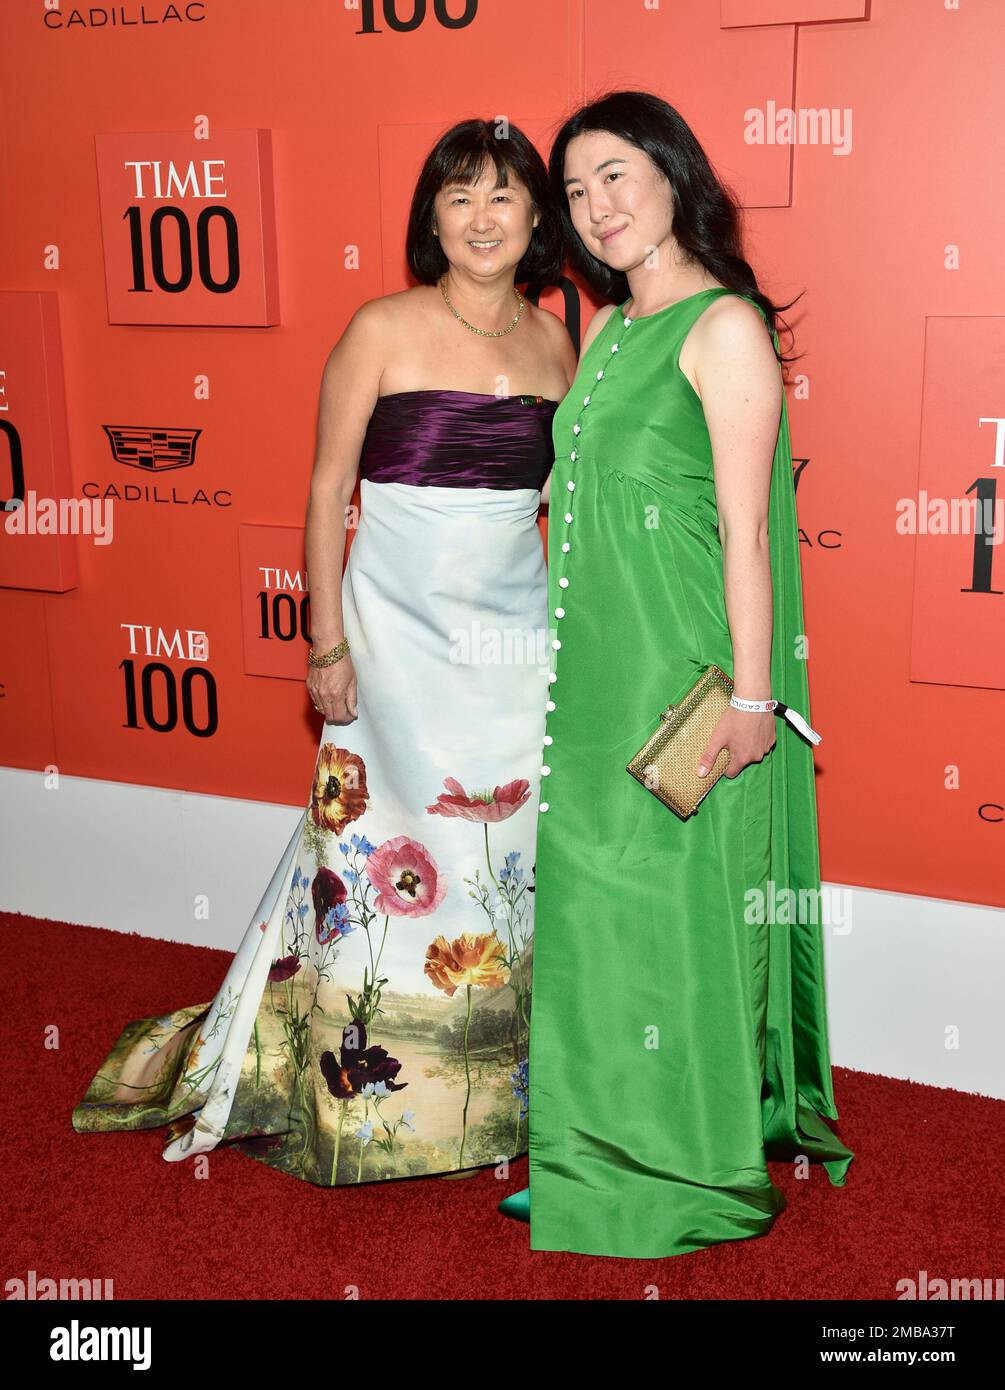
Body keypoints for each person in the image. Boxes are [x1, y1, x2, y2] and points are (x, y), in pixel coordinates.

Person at [72, 118, 576, 1187]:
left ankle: (492, 1091)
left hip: (512, 642)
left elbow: (552, 508)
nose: (482, 218)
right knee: (386, 847)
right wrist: (324, 640)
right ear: (430, 217)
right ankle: (362, 1093)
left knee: (498, 857)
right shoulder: (381, 327)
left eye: (503, 197)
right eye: (459, 196)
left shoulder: (553, 343)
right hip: (391, 638)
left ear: (537, 217)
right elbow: (322, 493)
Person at [497, 90, 854, 1256]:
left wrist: (753, 699)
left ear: (671, 174)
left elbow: (750, 533)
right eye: (577, 188)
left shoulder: (724, 327)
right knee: (597, 910)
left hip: (680, 669)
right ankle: (588, 1147)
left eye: (615, 176)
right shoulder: (604, 331)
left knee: (671, 913)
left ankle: (686, 1161)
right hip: (593, 666)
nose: (595, 207)